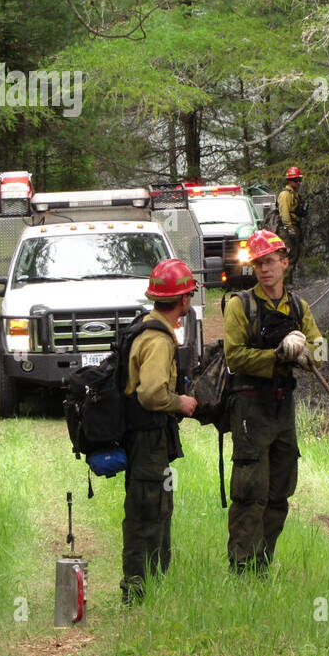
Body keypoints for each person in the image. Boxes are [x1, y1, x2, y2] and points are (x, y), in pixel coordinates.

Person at [222, 229, 325, 576]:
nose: (264, 270)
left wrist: (309, 354)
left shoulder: (299, 307)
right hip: (250, 407)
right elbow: (235, 357)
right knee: (251, 491)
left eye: (269, 262)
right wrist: (278, 356)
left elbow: (321, 349)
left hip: (283, 408)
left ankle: (263, 564)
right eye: (258, 264)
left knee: (280, 490)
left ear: (284, 262)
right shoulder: (240, 306)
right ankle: (241, 568)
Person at [120, 257, 198, 604]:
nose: (189, 302)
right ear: (182, 300)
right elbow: (151, 393)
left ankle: (147, 587)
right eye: (189, 296)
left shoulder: (145, 326)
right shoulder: (158, 339)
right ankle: (139, 591)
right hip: (148, 438)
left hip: (147, 439)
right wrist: (179, 403)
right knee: (148, 512)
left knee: (151, 508)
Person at [276, 166, 304, 285]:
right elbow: (284, 212)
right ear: (290, 181)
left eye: (299, 180)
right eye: (296, 180)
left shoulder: (294, 194)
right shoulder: (285, 195)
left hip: (294, 226)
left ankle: (288, 282)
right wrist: (289, 228)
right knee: (288, 256)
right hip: (287, 229)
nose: (298, 182)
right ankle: (284, 284)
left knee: (294, 255)